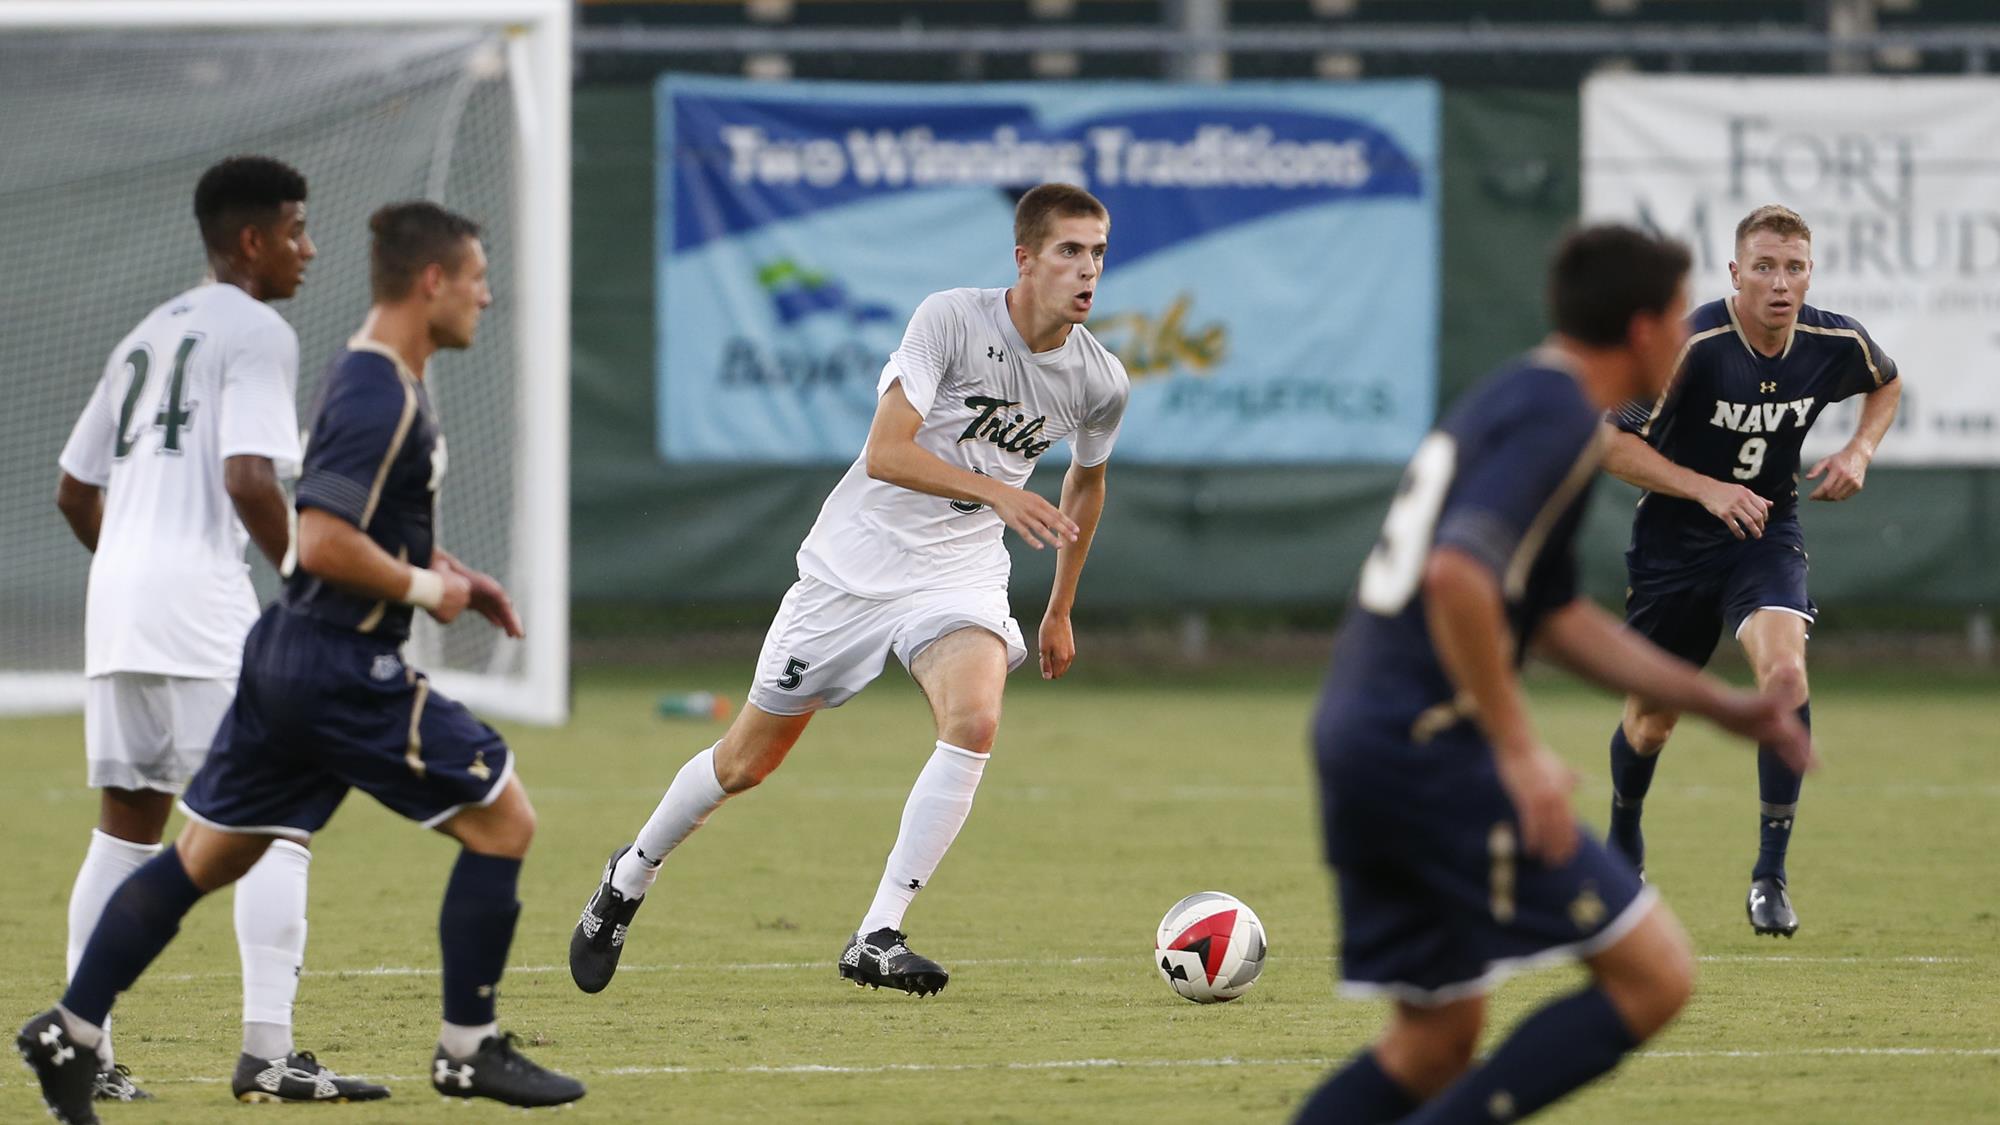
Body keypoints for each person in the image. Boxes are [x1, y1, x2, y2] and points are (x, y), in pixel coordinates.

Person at [17, 201, 583, 1124]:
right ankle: (467, 1048)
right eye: (477, 277)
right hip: (338, 664)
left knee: (203, 852)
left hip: (288, 657)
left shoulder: (381, 375)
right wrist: (422, 589)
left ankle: (71, 1030)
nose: (488, 294)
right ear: (432, 281)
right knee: (504, 817)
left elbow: (345, 523)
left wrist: (443, 571)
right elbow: (319, 539)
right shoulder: (375, 388)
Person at [1295, 224, 1813, 1124]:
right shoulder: (1559, 414)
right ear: (1648, 329)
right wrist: (1521, 750)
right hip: (1429, 753)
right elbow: (1460, 573)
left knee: (1434, 1042)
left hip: (1361, 736)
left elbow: (1559, 618)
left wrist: (1720, 705)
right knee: (1655, 976)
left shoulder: (1522, 395)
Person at [570, 182, 1129, 998]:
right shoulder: (950, 320)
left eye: (1100, 253)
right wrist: (998, 491)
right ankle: (629, 875)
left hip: (958, 570)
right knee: (746, 762)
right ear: (1025, 258)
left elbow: (1087, 483)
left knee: (974, 717)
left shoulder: (1098, 379)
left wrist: (1059, 606)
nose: (1089, 270)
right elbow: (885, 453)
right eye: (1070, 251)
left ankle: (877, 932)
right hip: (855, 564)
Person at [49, 155, 381, 1105]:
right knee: (279, 826)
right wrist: (308, 584)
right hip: (199, 610)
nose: (308, 250)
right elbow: (249, 480)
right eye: (295, 230)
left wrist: (129, 569)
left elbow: (74, 489)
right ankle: (267, 1053)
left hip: (115, 612)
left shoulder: (145, 332)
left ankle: (87, 1045)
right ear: (250, 240)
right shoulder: (257, 330)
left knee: (125, 829)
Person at [1601, 204, 1900, 936]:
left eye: (1793, 267)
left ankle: (1770, 874)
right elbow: (1608, 443)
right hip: (1673, 544)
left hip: (1766, 531)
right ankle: (1623, 838)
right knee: (1650, 721)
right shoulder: (1692, 344)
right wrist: (1705, 487)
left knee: (1785, 675)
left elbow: (1885, 383)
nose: (1780, 282)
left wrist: (1859, 450)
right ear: (1735, 274)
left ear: (1810, 273)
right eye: (1763, 266)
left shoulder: (1834, 341)